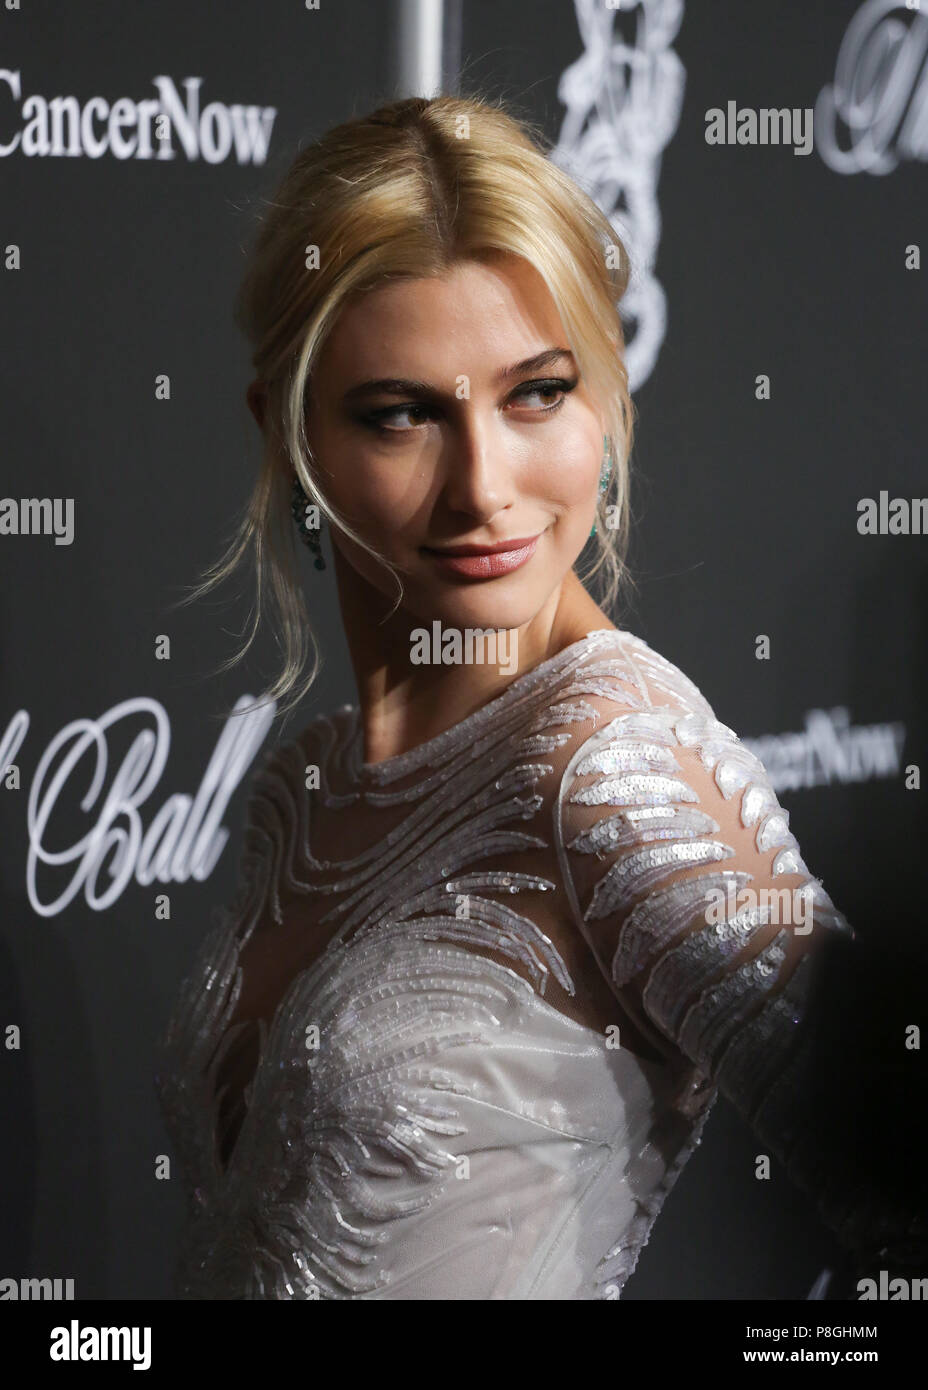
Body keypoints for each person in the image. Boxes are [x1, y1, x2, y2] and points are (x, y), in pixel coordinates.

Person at [154, 93, 926, 1300]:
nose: (482, 486)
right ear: (287, 431)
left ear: (606, 399)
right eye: (402, 413)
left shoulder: (611, 764)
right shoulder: (297, 786)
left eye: (535, 393)